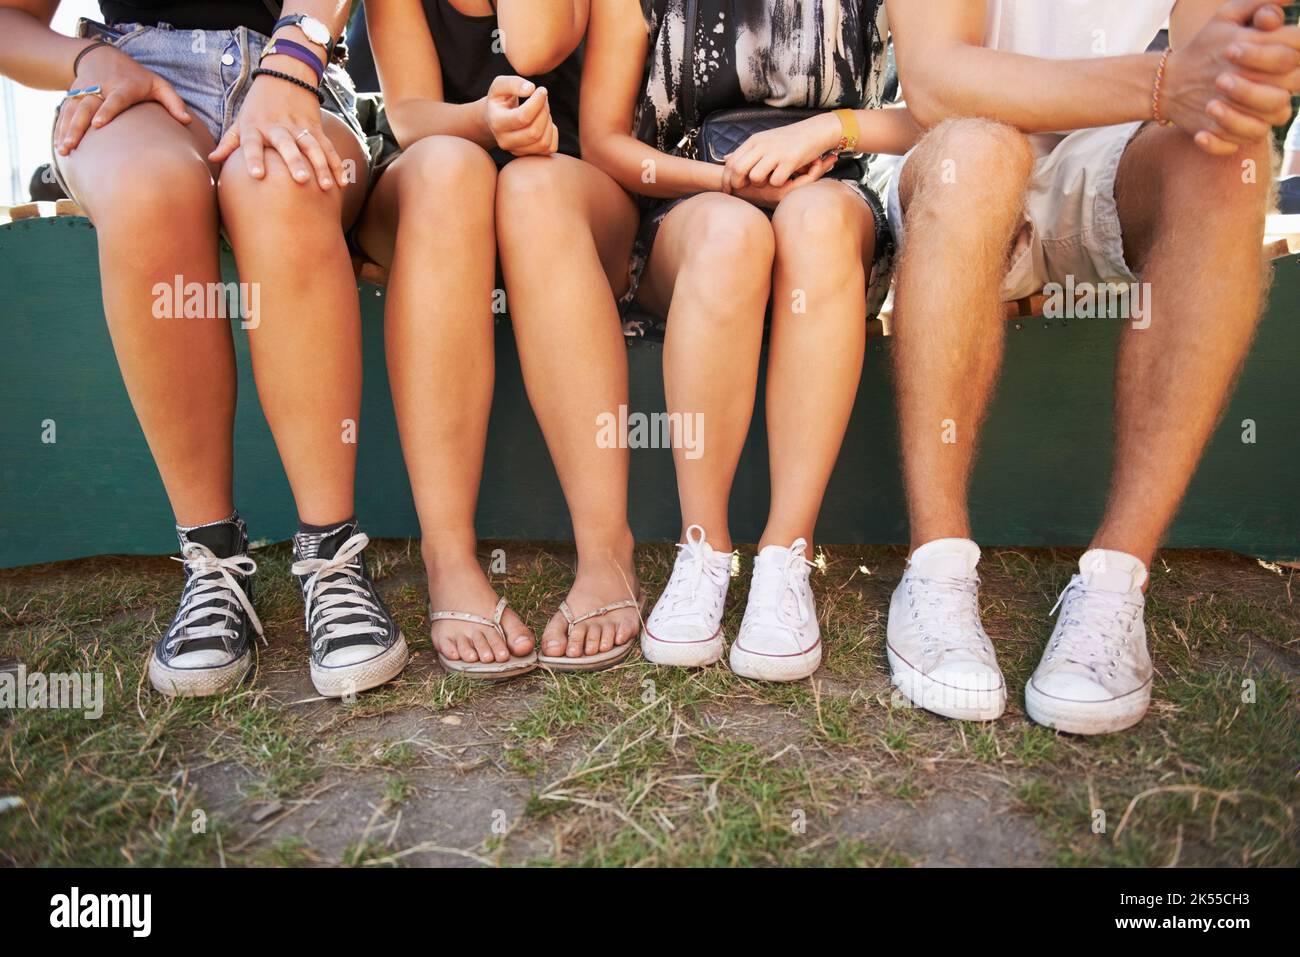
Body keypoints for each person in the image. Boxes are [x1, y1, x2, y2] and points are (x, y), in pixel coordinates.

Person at [880, 0, 1300, 731]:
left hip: (1116, 149)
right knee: (977, 152)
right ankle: (936, 567)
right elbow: (937, 78)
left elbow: (1214, 75)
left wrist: (1241, 76)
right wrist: (1167, 80)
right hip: (958, 144)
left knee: (1230, 153)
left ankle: (1113, 585)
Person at [0, 1, 408, 699]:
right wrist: (85, 60)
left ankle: (331, 556)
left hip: (297, 68)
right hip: (136, 79)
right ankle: (210, 558)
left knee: (281, 180)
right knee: (146, 192)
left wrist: (296, 58)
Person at [577, 0, 917, 681]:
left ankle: (788, 553)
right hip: (689, 197)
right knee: (732, 234)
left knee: (816, 226)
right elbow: (603, 141)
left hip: (833, 192)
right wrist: (727, 179)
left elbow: (935, 108)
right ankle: (703, 547)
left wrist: (827, 132)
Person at [355, 1, 625, 677]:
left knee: (531, 187)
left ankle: (606, 554)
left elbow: (532, 45)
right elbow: (411, 115)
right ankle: (448, 557)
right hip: (438, 178)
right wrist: (481, 121)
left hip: (572, 192)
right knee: (452, 167)